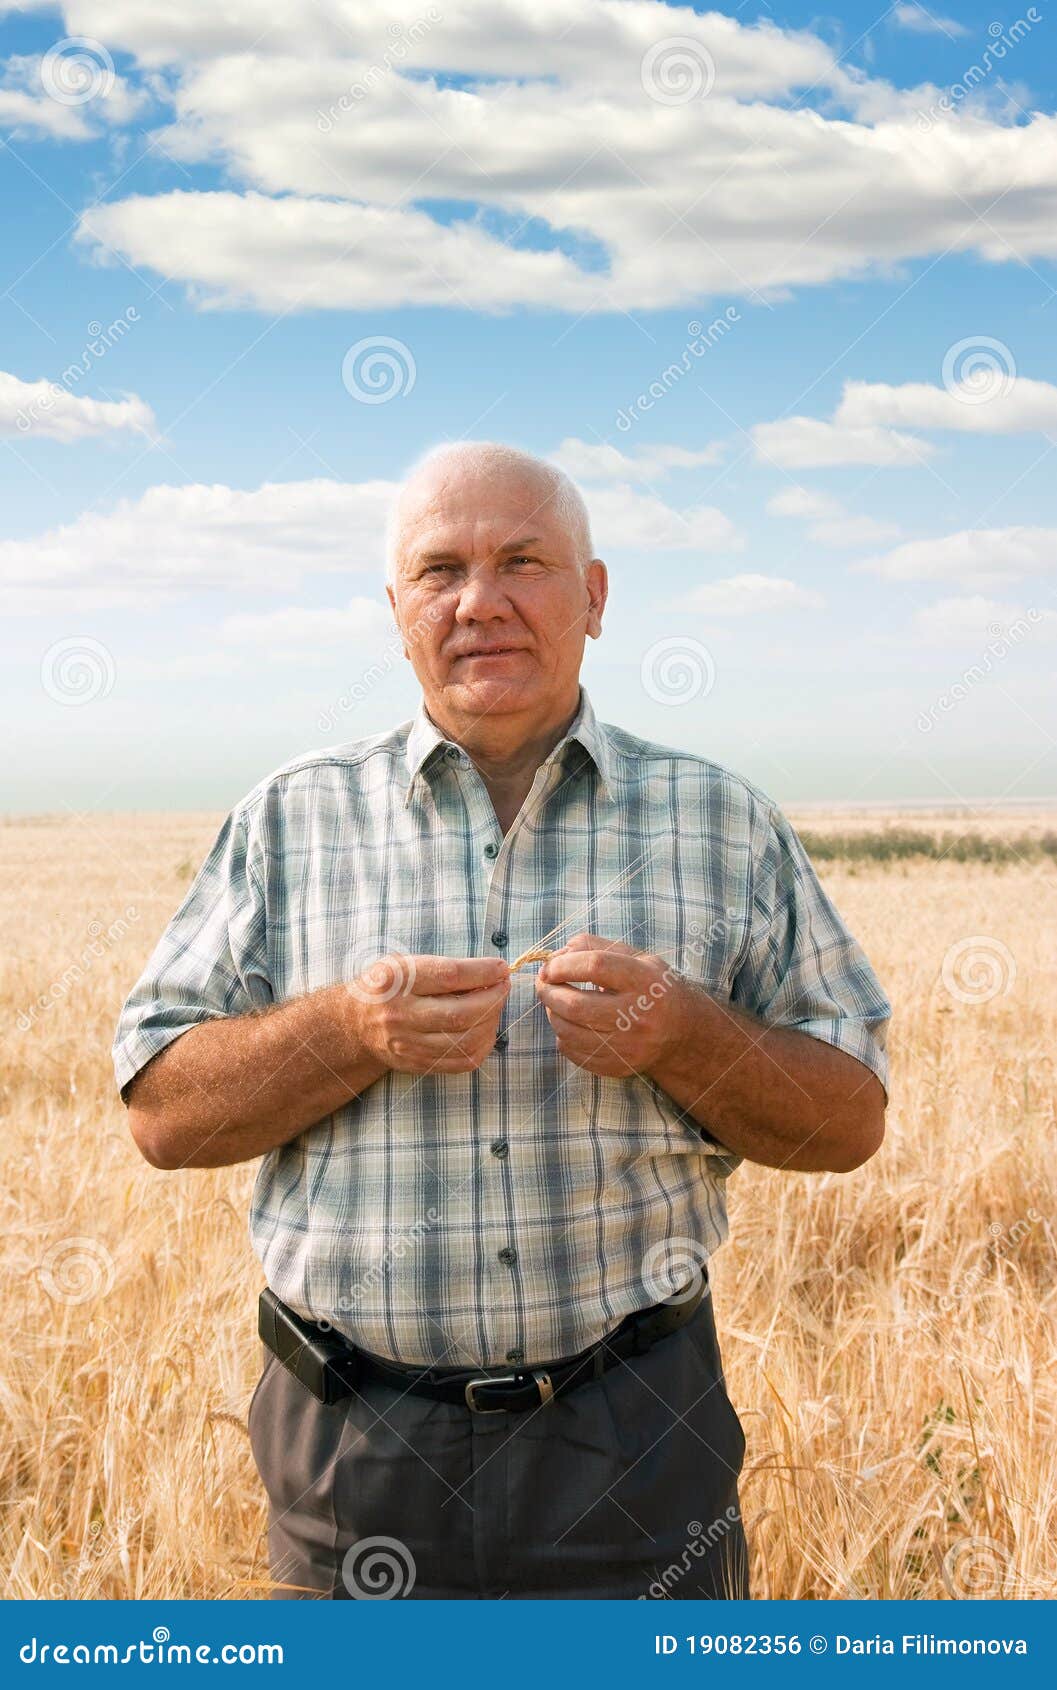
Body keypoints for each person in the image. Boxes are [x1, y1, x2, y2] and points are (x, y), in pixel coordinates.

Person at [112, 441, 890, 1600]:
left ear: (594, 595)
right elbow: (161, 1114)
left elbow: (849, 1118)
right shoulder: (288, 819)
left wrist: (680, 1031)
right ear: (396, 610)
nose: (480, 602)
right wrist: (347, 1031)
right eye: (440, 570)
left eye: (523, 560)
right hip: (355, 1446)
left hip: (636, 1433)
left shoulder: (721, 822)